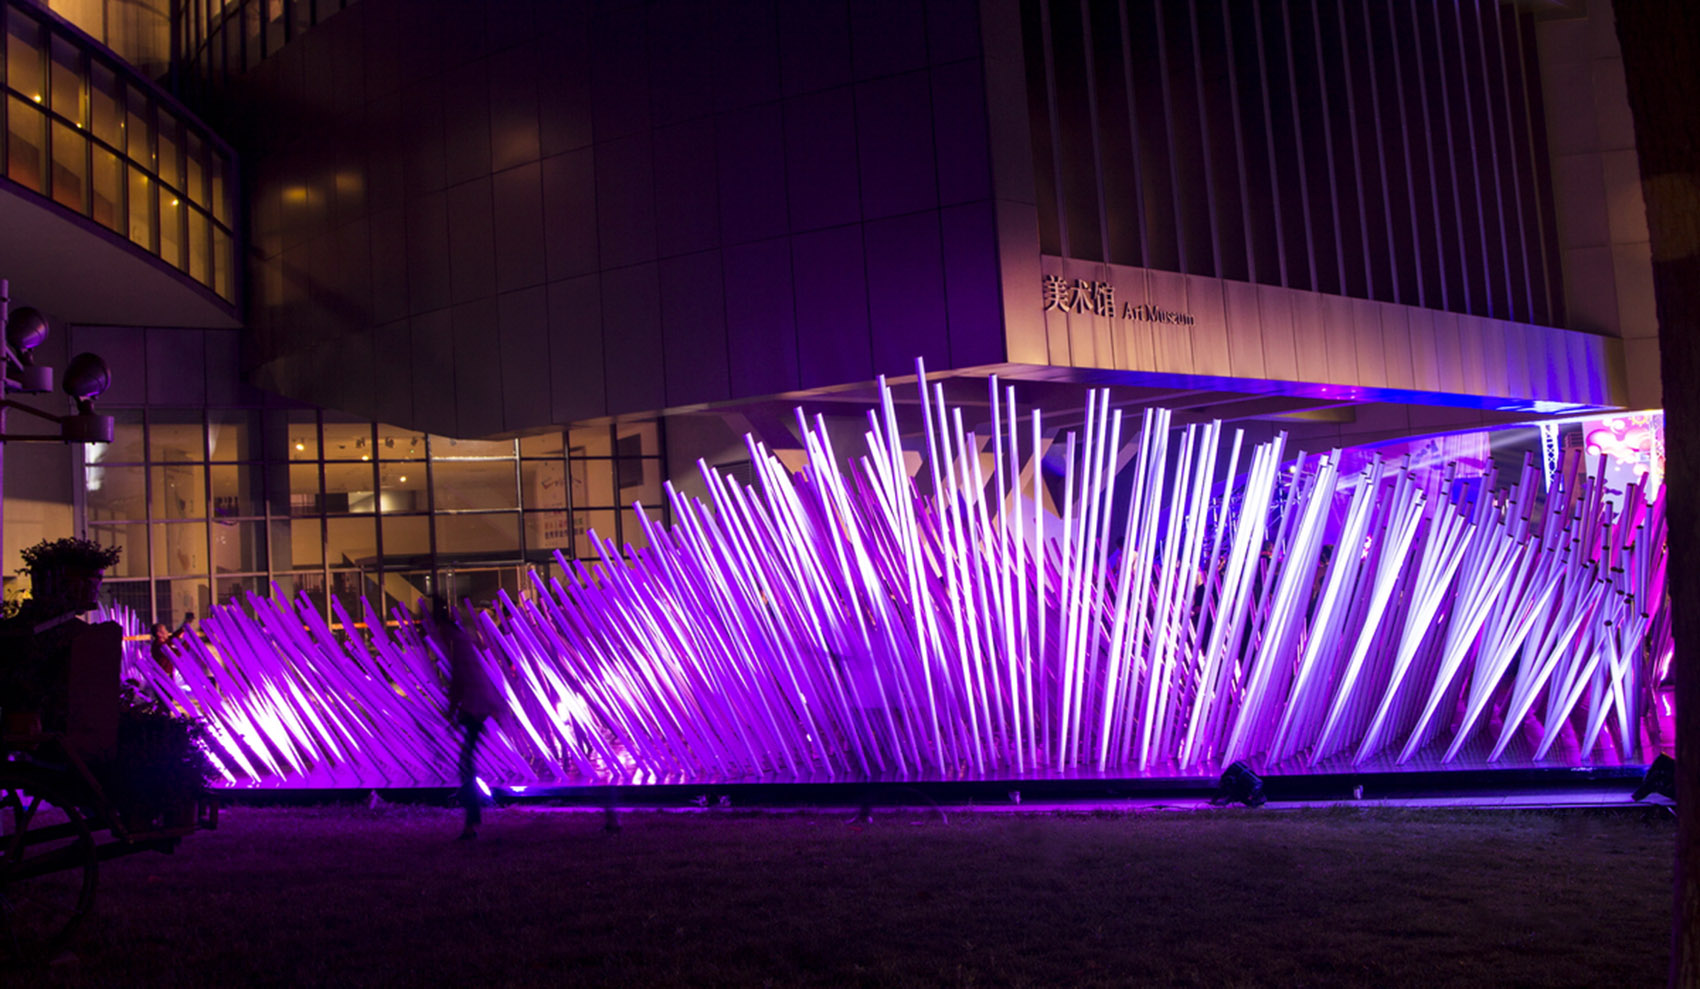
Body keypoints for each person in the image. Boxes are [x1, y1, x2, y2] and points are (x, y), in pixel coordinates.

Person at [437, 596, 503, 840]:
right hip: (476, 707)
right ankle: (472, 820)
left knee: (466, 763)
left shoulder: (458, 643)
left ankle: (472, 821)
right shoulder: (461, 641)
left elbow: (459, 680)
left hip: (476, 708)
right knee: (466, 762)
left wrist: (453, 712)